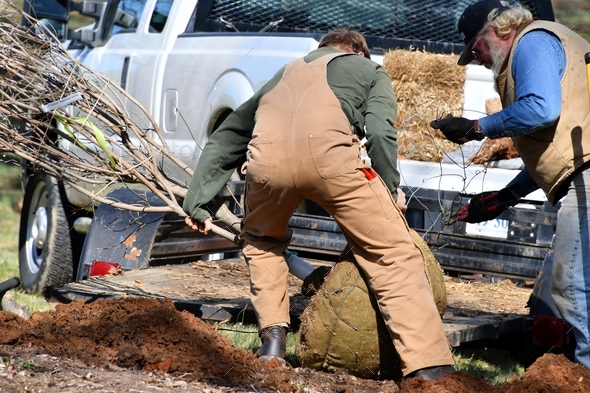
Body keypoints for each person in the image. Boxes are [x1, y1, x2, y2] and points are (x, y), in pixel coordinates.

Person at [184, 28, 455, 380]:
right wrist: (389, 188)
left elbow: (229, 134)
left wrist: (198, 201)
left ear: (323, 49)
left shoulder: (284, 72)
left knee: (263, 243)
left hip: (267, 165)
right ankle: (428, 367)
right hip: (332, 161)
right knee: (392, 253)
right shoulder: (370, 70)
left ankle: (273, 344)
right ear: (358, 53)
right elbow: (381, 130)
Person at [430, 0, 590, 369]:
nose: (479, 61)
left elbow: (542, 109)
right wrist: (503, 198)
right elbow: (557, 151)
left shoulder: (532, 42)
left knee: (571, 288)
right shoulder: (538, 47)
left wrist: (476, 128)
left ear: (495, 30)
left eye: (475, 50)